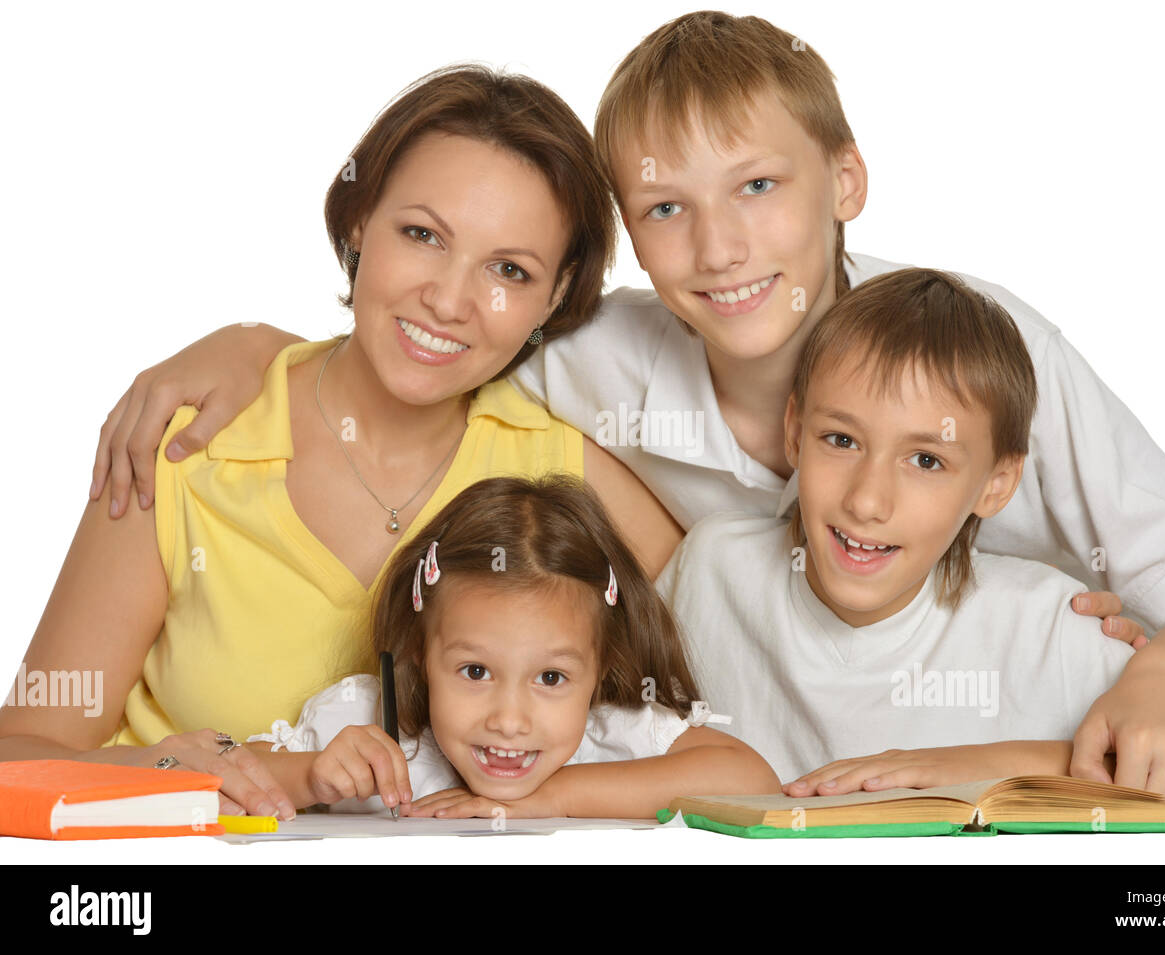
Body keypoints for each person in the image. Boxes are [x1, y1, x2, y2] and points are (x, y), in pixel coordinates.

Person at [83, 13, 1165, 820]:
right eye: (663, 209)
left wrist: (1158, 679)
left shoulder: (970, 350)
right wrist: (254, 348)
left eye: (758, 186)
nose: (716, 249)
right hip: (770, 767)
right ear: (621, 241)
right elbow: (436, 340)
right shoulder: (599, 358)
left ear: (844, 183)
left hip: (1011, 696)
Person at [0, 64, 682, 820]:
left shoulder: (559, 472)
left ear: (553, 298)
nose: (450, 300)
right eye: (422, 234)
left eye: (509, 270)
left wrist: (547, 794)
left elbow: (735, 648)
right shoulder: (191, 446)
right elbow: (15, 754)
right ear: (360, 221)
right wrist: (162, 767)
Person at [657, 268, 1165, 821]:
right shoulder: (711, 572)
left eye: (927, 460)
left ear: (996, 485)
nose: (867, 501)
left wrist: (991, 774)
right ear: (795, 430)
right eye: (842, 440)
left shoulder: (1044, 625)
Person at [243, 475, 778, 817]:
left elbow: (752, 780)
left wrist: (555, 798)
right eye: (475, 671)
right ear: (418, 652)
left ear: (602, 668)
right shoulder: (368, 724)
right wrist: (310, 777)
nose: (509, 719)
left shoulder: (616, 735)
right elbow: (202, 781)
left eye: (550, 678)